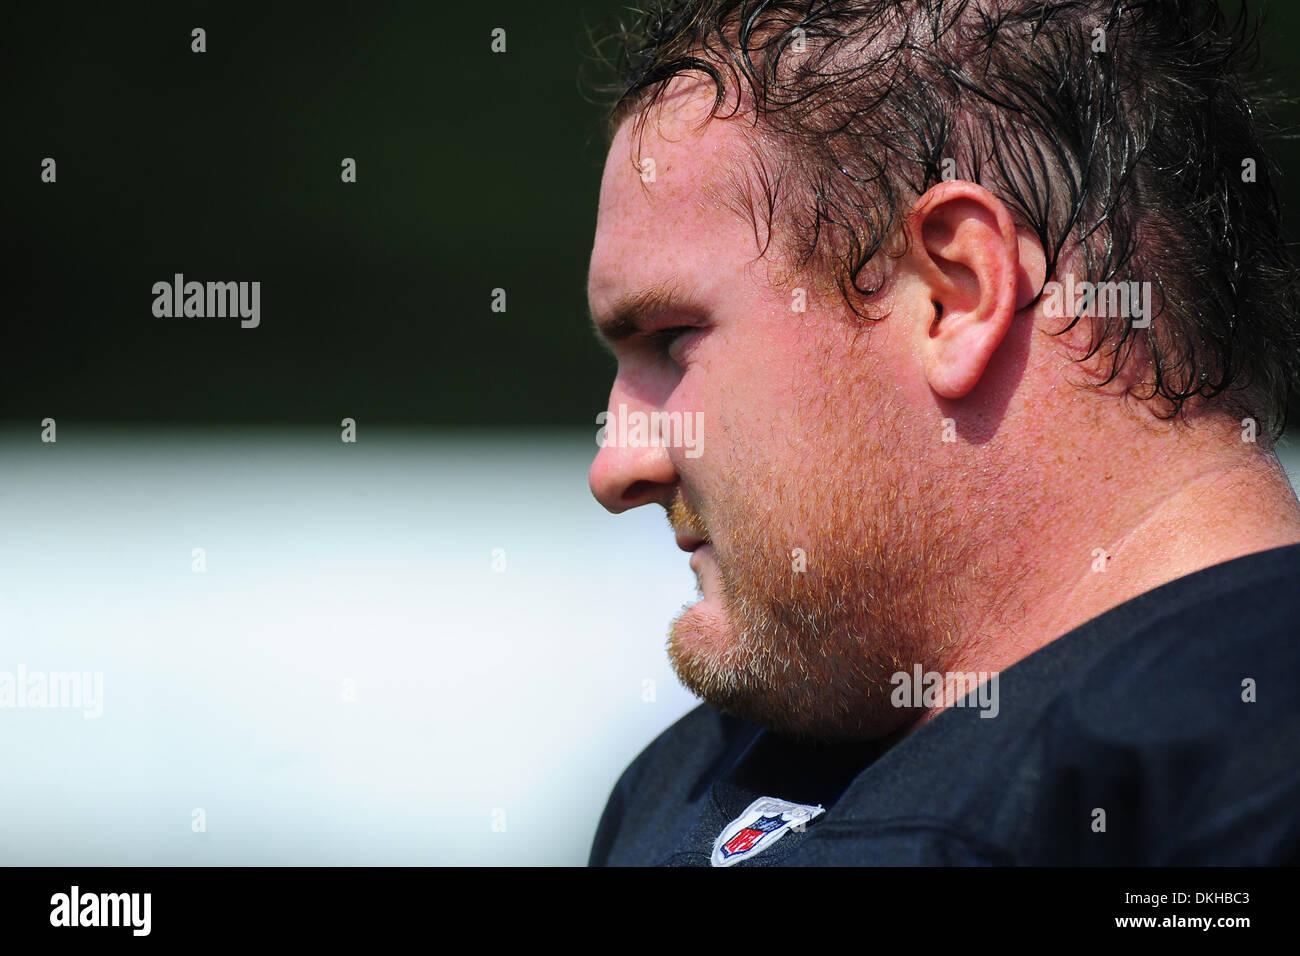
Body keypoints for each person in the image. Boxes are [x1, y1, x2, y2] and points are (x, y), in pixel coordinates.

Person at [584, 0, 1300, 866]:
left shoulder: (1240, 779)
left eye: (671, 340)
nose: (618, 466)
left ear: (956, 295)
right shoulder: (691, 784)